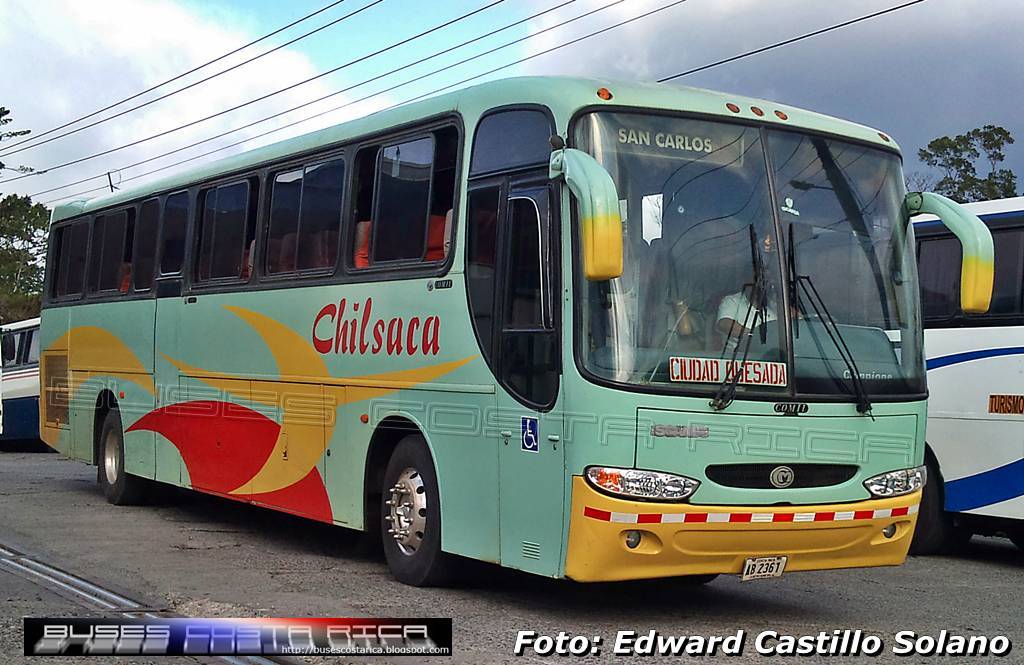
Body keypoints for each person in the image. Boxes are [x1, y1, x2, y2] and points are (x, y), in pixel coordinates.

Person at [716, 233, 778, 352]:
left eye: (766, 279)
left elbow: (798, 324)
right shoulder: (732, 301)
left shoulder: (775, 305)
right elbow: (724, 324)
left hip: (774, 363)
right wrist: (757, 338)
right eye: (758, 278)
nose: (763, 283)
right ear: (747, 279)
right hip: (738, 363)